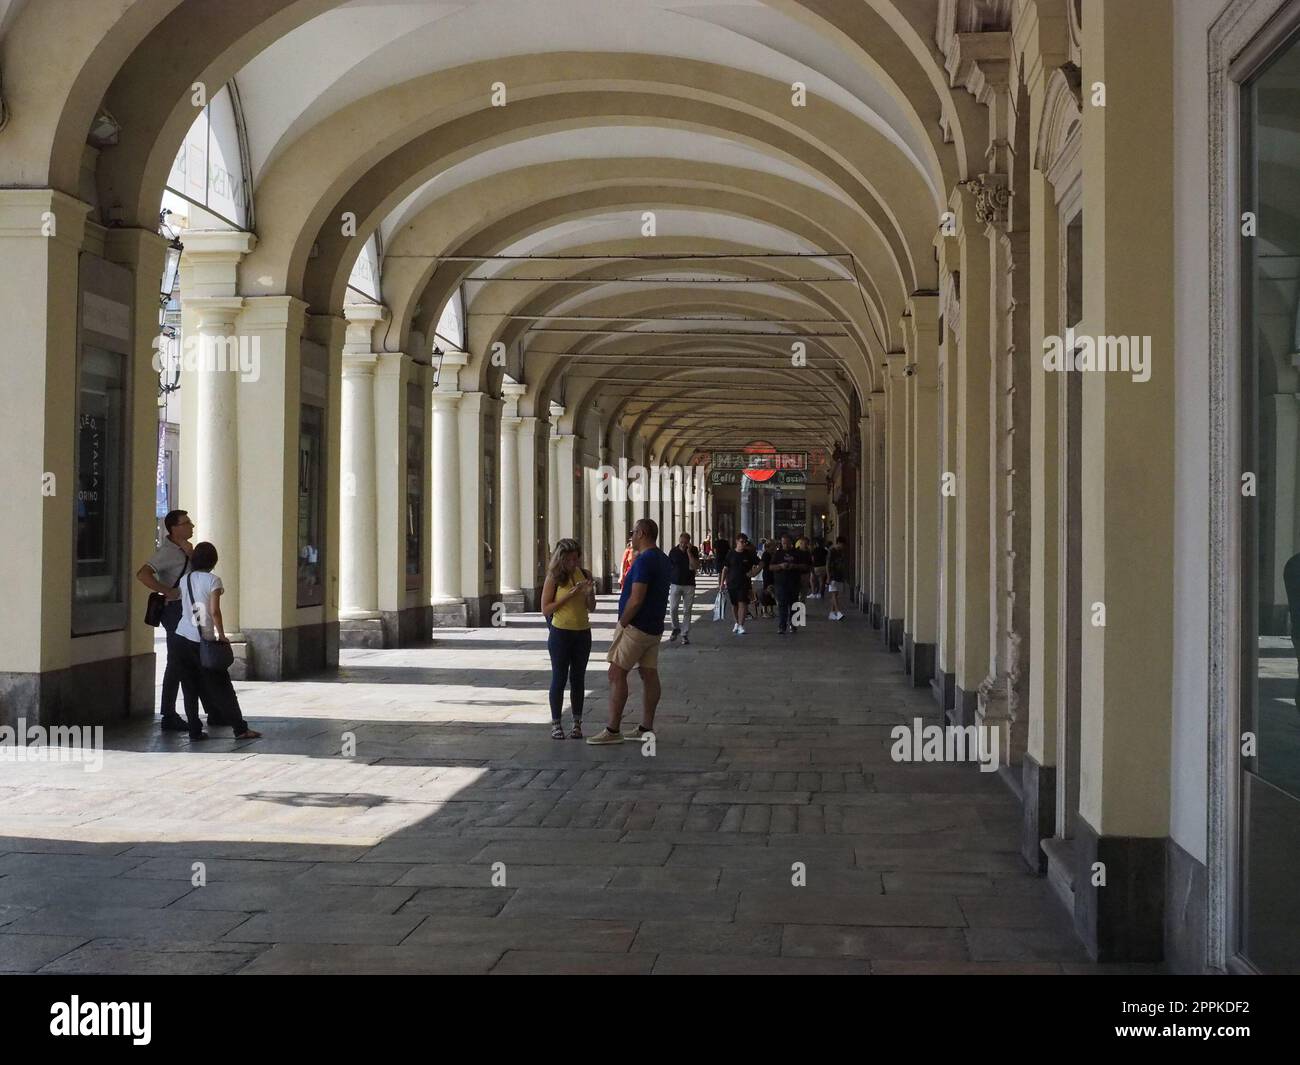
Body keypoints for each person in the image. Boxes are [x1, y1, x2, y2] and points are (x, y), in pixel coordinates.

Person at [588, 518, 672, 745]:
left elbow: (636, 599)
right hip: (654, 627)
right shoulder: (663, 560)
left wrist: (622, 623)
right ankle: (646, 727)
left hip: (636, 627)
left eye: (633, 532)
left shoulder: (644, 561)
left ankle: (613, 730)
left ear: (642, 533)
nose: (631, 537)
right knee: (648, 674)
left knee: (616, 673)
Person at [176, 541, 262, 741]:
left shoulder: (185, 579)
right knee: (223, 686)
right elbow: (214, 611)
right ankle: (240, 729)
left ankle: (194, 731)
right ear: (214, 561)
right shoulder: (213, 580)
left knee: (189, 686)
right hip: (203, 640)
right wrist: (221, 635)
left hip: (181, 637)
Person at [136, 509, 199, 734]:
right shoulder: (166, 553)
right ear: (175, 528)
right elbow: (143, 574)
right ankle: (169, 713)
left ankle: (176, 712)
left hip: (189, 610)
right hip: (174, 611)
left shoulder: (187, 550)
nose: (192, 526)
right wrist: (167, 591)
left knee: (184, 659)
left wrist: (191, 556)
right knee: (176, 661)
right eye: (187, 523)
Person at [540, 537, 596, 740]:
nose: (574, 564)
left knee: (578, 678)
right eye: (570, 560)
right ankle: (556, 723)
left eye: (576, 559)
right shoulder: (554, 578)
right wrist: (568, 596)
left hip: (583, 632)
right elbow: (545, 609)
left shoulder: (585, 574)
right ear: (561, 560)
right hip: (560, 633)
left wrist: (589, 594)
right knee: (559, 677)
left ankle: (577, 723)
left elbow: (591, 607)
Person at [769, 533, 810, 635]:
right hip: (781, 583)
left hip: (794, 582)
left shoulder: (798, 553)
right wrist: (780, 566)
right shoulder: (777, 554)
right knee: (782, 604)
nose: (785, 545)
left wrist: (793, 566)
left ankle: (793, 625)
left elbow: (805, 566)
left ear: (791, 543)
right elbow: (770, 567)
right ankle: (782, 626)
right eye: (783, 543)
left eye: (787, 543)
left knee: (794, 604)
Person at [720, 533, 760, 635]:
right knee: (734, 605)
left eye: (745, 542)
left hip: (744, 583)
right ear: (737, 542)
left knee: (742, 602)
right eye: (741, 542)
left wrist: (755, 572)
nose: (743, 544)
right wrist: (722, 583)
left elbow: (760, 563)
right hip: (731, 583)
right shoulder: (731, 554)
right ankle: (737, 623)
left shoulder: (749, 554)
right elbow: (725, 568)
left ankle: (741, 625)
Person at [667, 532, 699, 645]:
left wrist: (689, 552)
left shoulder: (694, 550)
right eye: (681, 542)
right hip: (675, 583)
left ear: (689, 542)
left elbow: (694, 566)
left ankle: (684, 634)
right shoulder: (673, 552)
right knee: (673, 608)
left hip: (689, 584)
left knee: (687, 610)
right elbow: (668, 567)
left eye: (685, 543)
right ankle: (675, 627)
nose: (682, 545)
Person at [826, 535, 848, 621]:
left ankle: (832, 613)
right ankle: (838, 612)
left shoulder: (841, 551)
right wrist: (828, 576)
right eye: (842, 545)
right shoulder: (831, 551)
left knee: (835, 594)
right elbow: (828, 564)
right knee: (834, 593)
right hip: (833, 575)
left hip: (839, 575)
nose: (843, 547)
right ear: (838, 543)